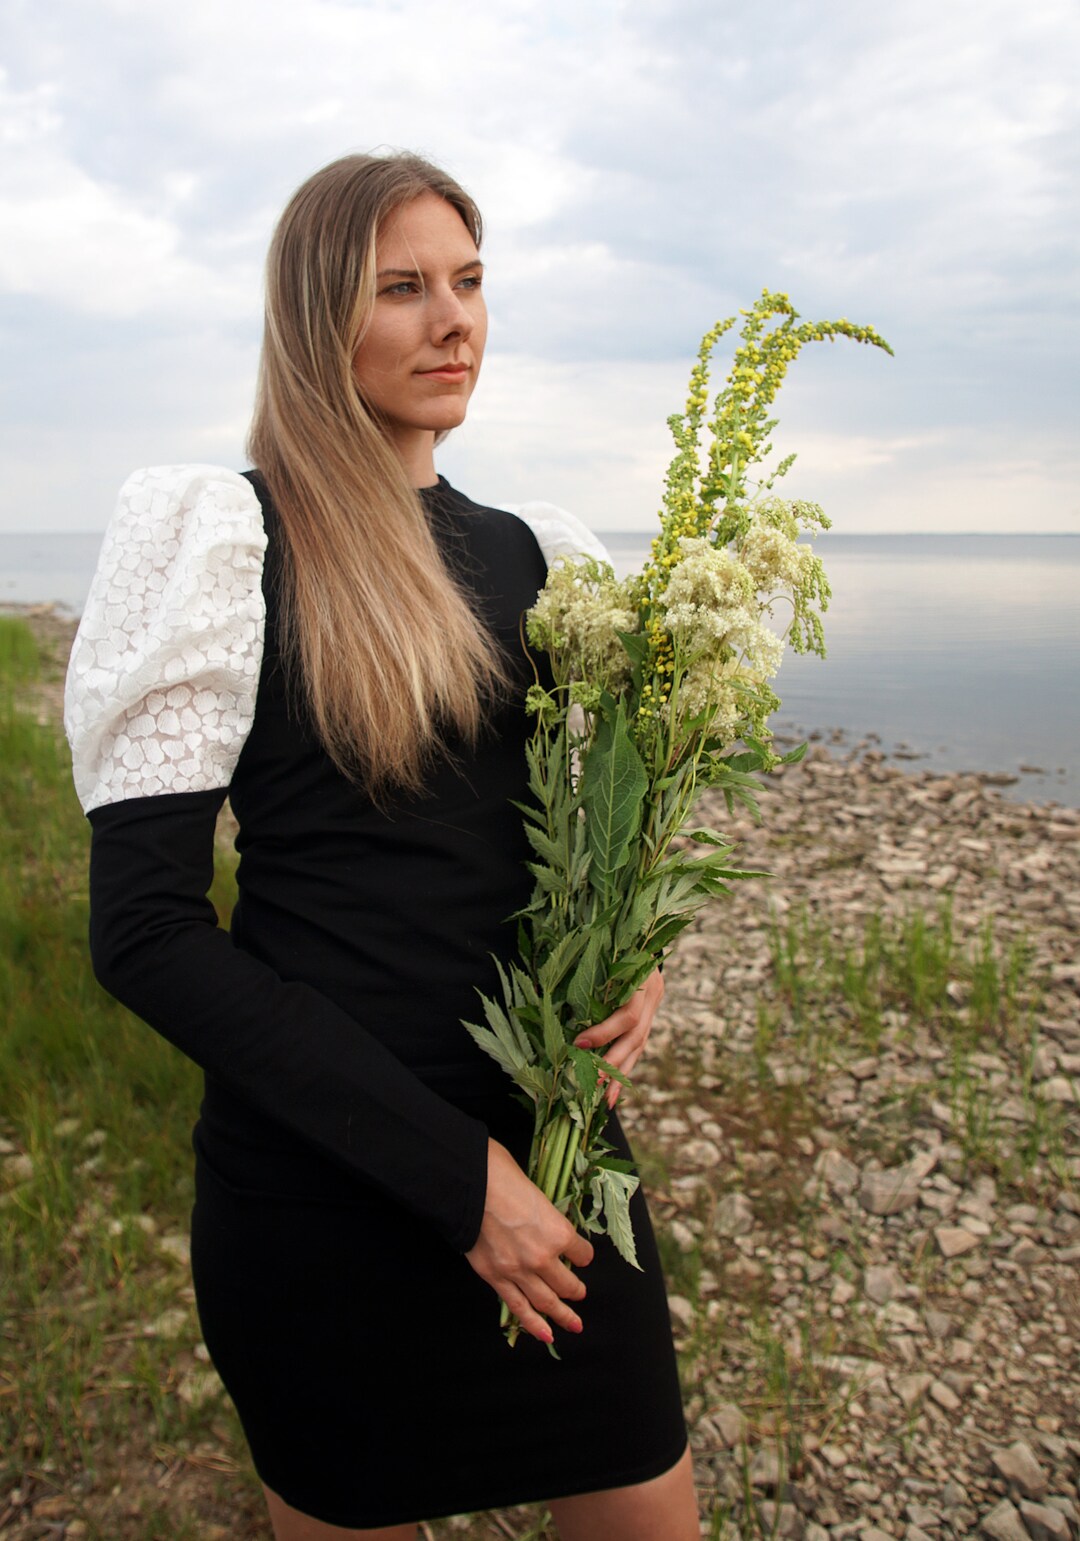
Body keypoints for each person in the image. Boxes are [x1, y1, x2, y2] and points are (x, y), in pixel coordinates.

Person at [64, 152, 698, 1541]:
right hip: (324, 1182)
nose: (453, 319)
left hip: (554, 1154)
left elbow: (550, 849)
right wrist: (457, 1183)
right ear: (316, 314)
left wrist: (632, 957)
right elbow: (146, 935)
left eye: (468, 281)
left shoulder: (537, 556)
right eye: (401, 287)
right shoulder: (230, 543)